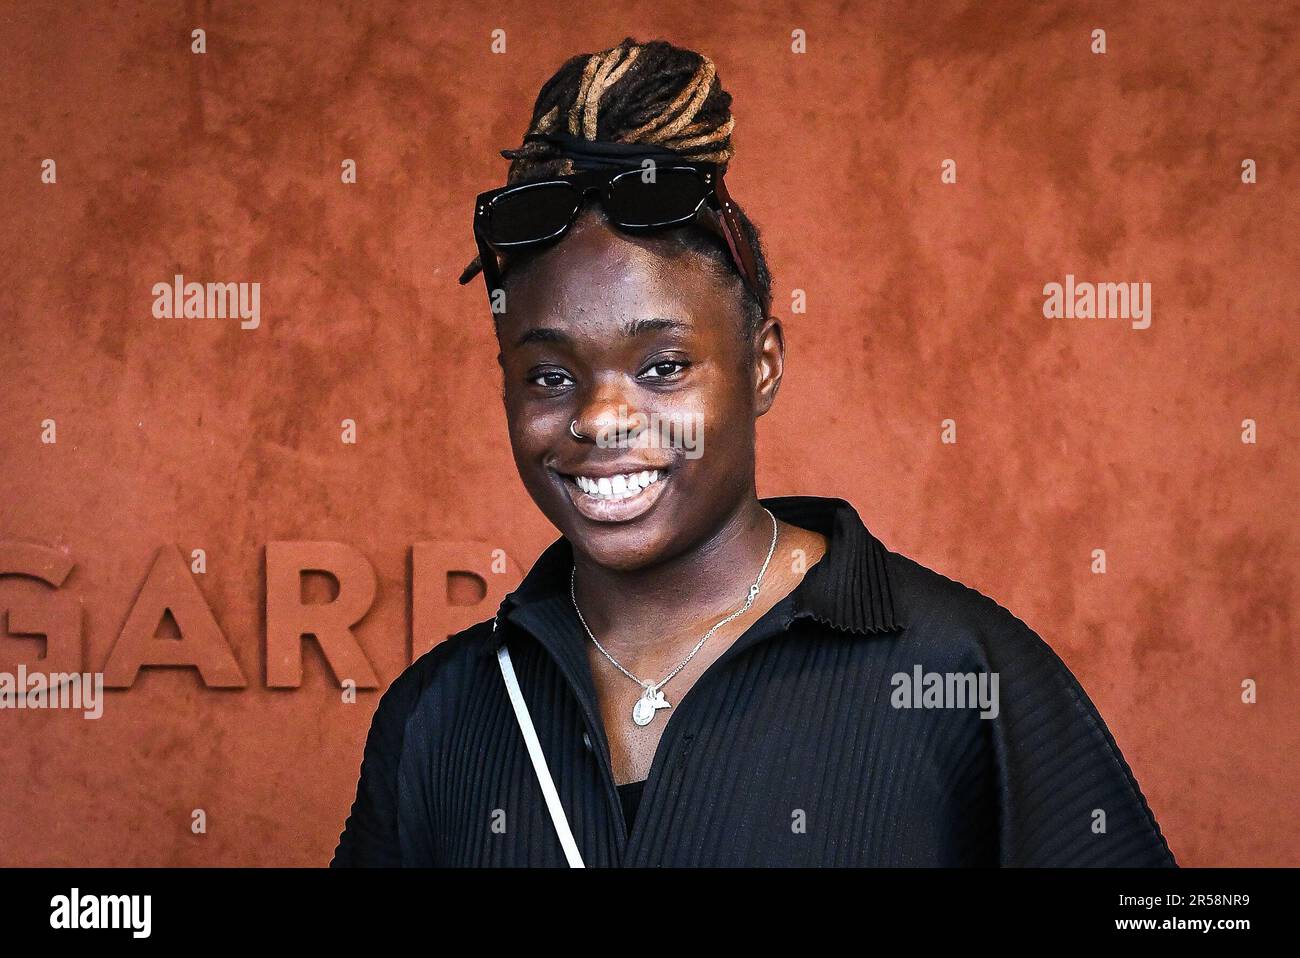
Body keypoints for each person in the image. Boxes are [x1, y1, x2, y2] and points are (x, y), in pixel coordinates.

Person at [331, 37, 1175, 867]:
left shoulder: (958, 670)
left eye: (662, 367)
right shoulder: (441, 713)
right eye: (549, 376)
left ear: (760, 366)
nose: (600, 417)